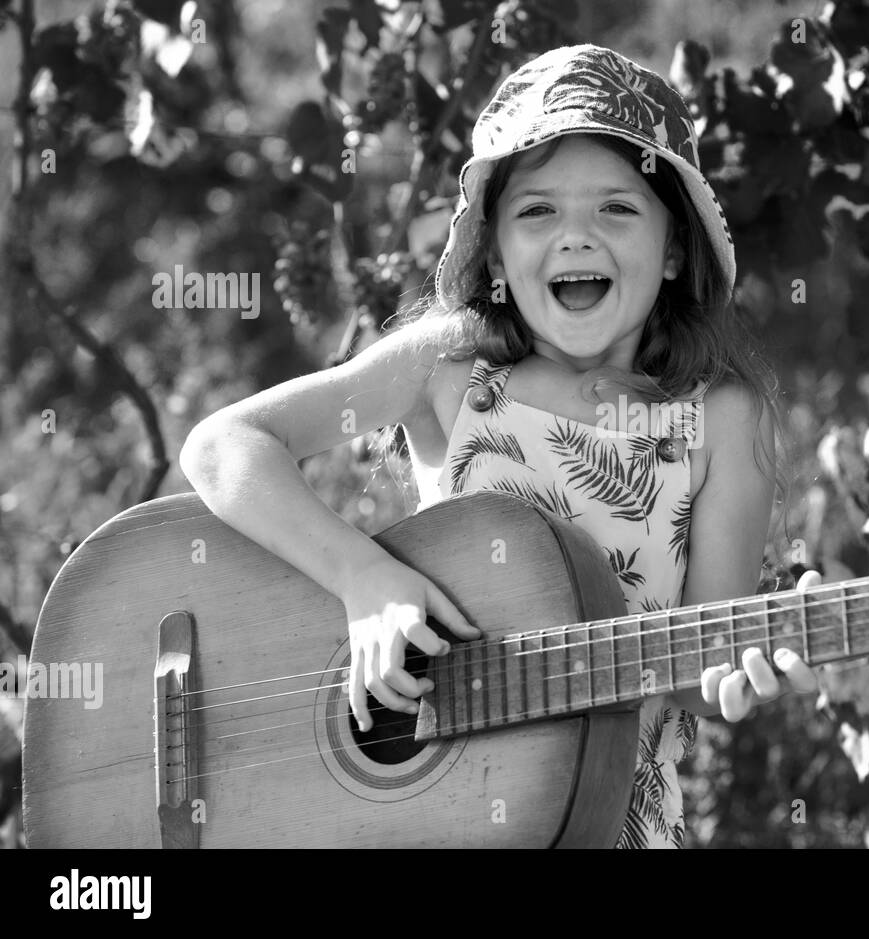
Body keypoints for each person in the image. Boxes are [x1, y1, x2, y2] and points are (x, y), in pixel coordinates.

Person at [180, 43, 821, 849]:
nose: (575, 236)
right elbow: (224, 445)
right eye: (537, 210)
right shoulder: (448, 371)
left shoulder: (724, 418)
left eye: (617, 208)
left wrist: (746, 667)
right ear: (494, 254)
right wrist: (364, 578)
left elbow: (700, 663)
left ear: (672, 250)